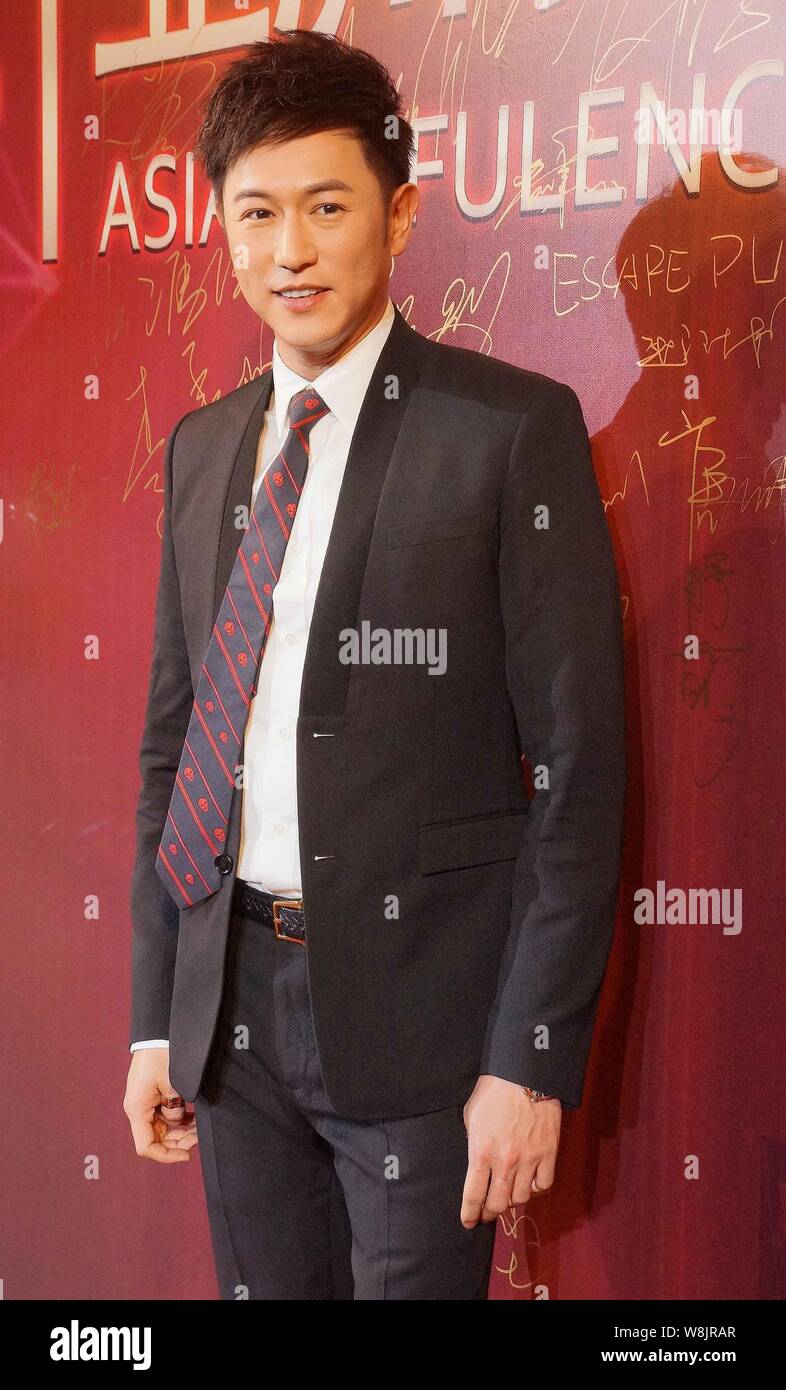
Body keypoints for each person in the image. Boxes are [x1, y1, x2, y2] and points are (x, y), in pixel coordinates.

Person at [123, 29, 626, 1301]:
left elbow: (579, 770)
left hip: (422, 1032)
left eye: (327, 206)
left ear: (398, 215)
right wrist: (155, 1017)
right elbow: (174, 754)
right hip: (229, 1018)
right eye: (257, 214)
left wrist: (529, 1061)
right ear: (225, 230)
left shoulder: (510, 431)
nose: (289, 249)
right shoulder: (199, 451)